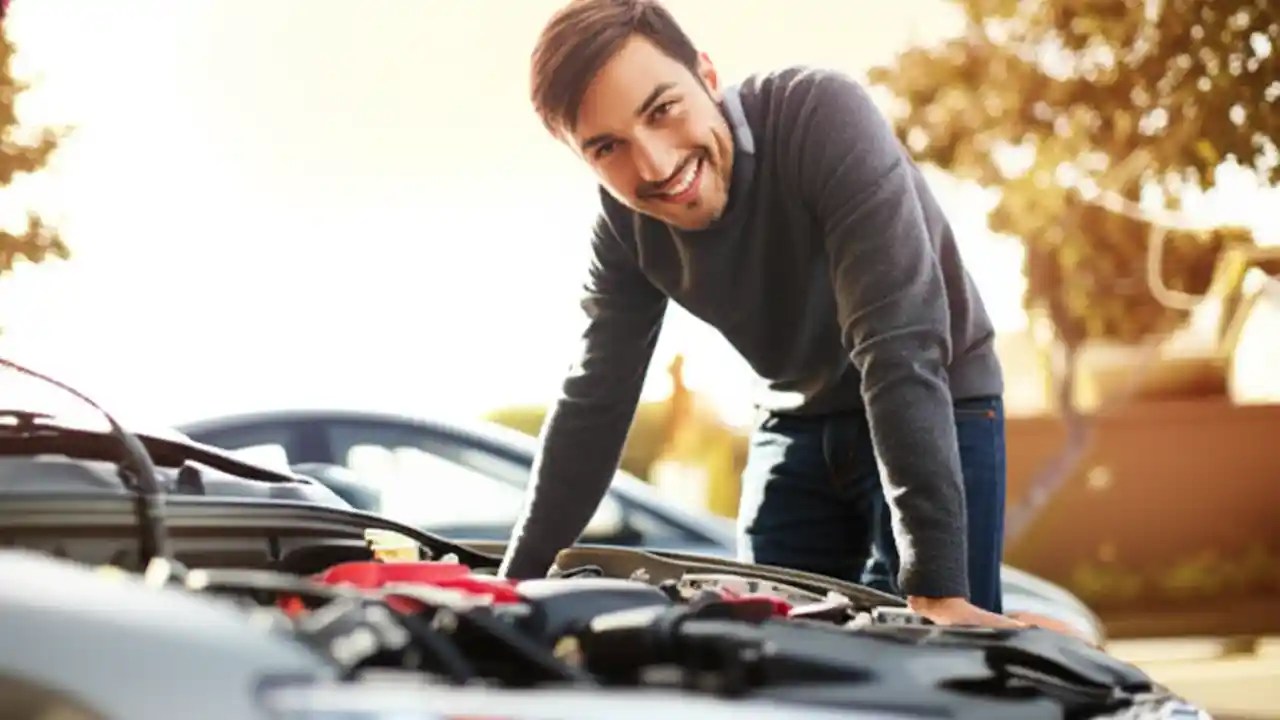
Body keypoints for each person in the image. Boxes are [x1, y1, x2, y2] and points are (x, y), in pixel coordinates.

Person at [498, 0, 1019, 629]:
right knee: (770, 653)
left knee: (924, 654)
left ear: (708, 76)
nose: (656, 167)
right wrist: (511, 589)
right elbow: (594, 401)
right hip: (792, 422)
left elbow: (896, 341)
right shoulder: (624, 229)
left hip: (935, 400)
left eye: (663, 110)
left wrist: (935, 587)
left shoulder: (821, 116)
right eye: (609, 147)